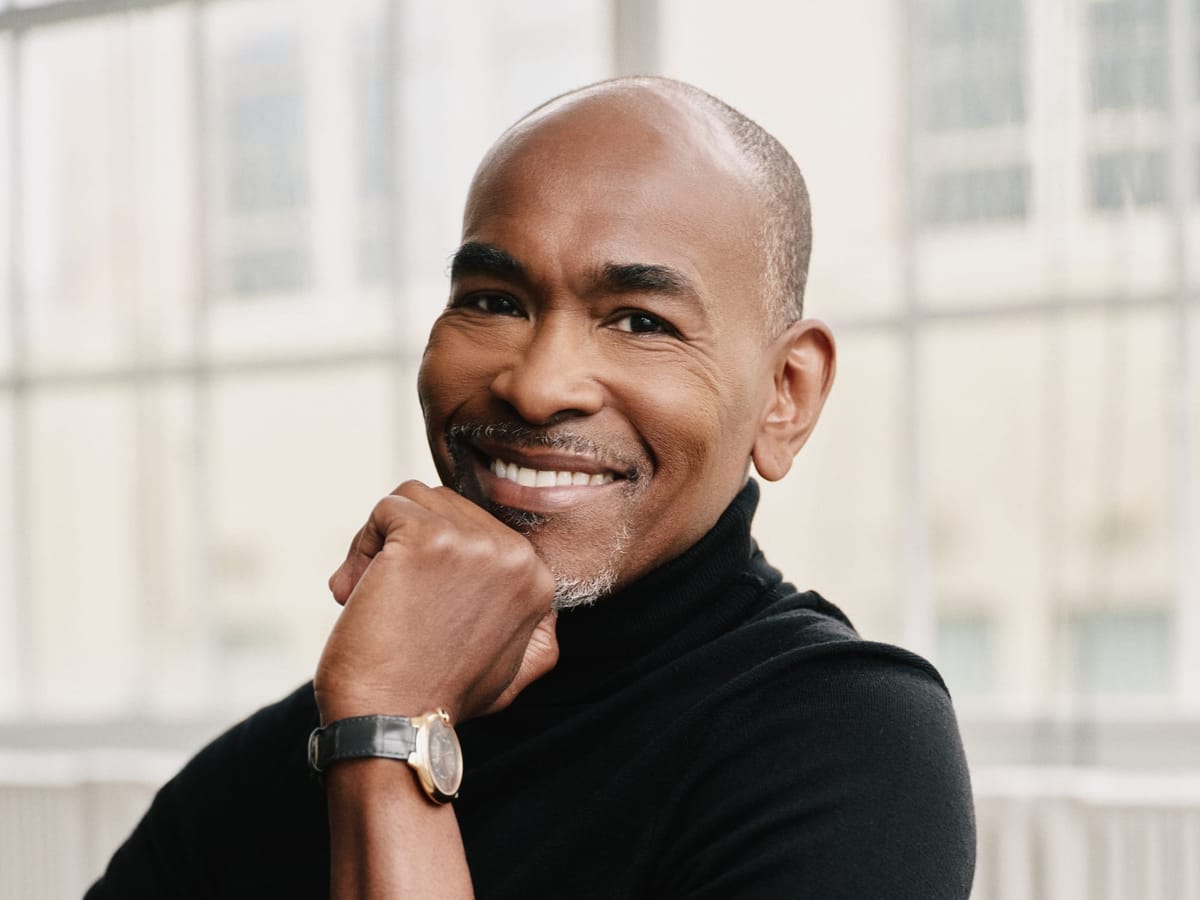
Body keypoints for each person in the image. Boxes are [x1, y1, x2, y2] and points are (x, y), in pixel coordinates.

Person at [86, 76, 975, 899]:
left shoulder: (849, 740)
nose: (539, 386)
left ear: (785, 395)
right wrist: (377, 713)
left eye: (641, 320)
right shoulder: (277, 762)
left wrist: (392, 745)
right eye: (493, 301)